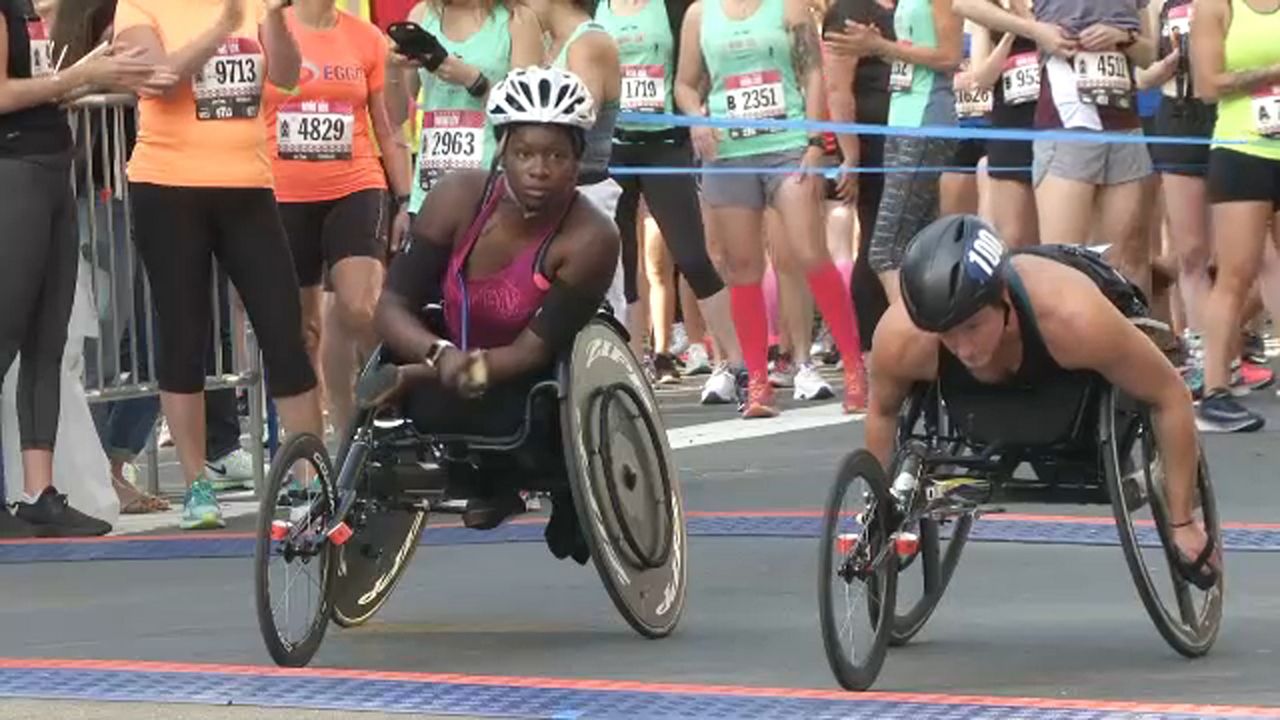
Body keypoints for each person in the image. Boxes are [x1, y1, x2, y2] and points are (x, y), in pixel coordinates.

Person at [865, 214, 1219, 590]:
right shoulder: (904, 337)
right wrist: (877, 512)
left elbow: (1170, 396)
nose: (964, 348)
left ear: (1004, 303)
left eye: (972, 327)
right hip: (987, 399)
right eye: (947, 335)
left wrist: (1182, 523)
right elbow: (883, 413)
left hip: (1073, 318)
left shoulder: (1074, 319)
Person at [372, 66, 620, 558]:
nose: (539, 169)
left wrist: (448, 370)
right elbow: (393, 304)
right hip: (447, 360)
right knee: (385, 381)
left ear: (578, 160)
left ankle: (557, 490)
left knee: (525, 407)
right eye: (525, 153)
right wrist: (437, 354)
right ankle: (481, 475)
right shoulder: (457, 198)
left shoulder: (592, 237)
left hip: (537, 379)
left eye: (556, 155)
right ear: (502, 150)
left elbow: (534, 350)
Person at [112, 0, 327, 530]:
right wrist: (223, 28)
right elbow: (159, 78)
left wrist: (272, 17)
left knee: (285, 329)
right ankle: (197, 485)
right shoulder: (140, 5)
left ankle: (307, 479)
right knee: (185, 335)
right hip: (168, 185)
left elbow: (287, 76)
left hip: (248, 187)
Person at [0, 0, 158, 537]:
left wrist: (87, 78)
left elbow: (36, 84)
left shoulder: (25, 9)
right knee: (6, 332)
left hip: (51, 167)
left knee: (47, 340)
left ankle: (38, 491)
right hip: (13, 171)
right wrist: (77, 76)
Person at [675, 0, 868, 418]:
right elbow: (685, 84)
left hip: (785, 147)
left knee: (809, 253)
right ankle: (758, 383)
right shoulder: (699, 15)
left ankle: (855, 369)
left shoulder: (789, 7)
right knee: (742, 268)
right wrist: (696, 117)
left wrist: (816, 140)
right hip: (728, 154)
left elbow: (812, 71)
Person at [262, 0, 413, 436]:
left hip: (355, 185)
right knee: (303, 329)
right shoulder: (269, 29)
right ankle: (317, 451)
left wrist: (405, 199)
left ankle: (383, 420)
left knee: (361, 306)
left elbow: (388, 127)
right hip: (283, 191)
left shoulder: (365, 37)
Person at [952, 0, 1158, 297]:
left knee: (1128, 256)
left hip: (1123, 123)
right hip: (1067, 123)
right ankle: (1061, 340)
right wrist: (1034, 29)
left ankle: (1128, 336)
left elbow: (1149, 54)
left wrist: (1125, 38)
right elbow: (964, 5)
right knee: (1062, 260)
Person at [594, 0, 743, 405]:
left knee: (692, 256)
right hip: (612, 149)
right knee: (622, 264)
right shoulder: (594, 7)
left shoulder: (673, 6)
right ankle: (634, 365)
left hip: (664, 146)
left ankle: (733, 366)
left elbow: (692, 71)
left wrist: (695, 116)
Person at [1189, 0, 1280, 433]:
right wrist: (1271, 72)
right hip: (1243, 149)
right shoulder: (1216, 6)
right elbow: (1208, 85)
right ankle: (1214, 392)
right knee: (1235, 274)